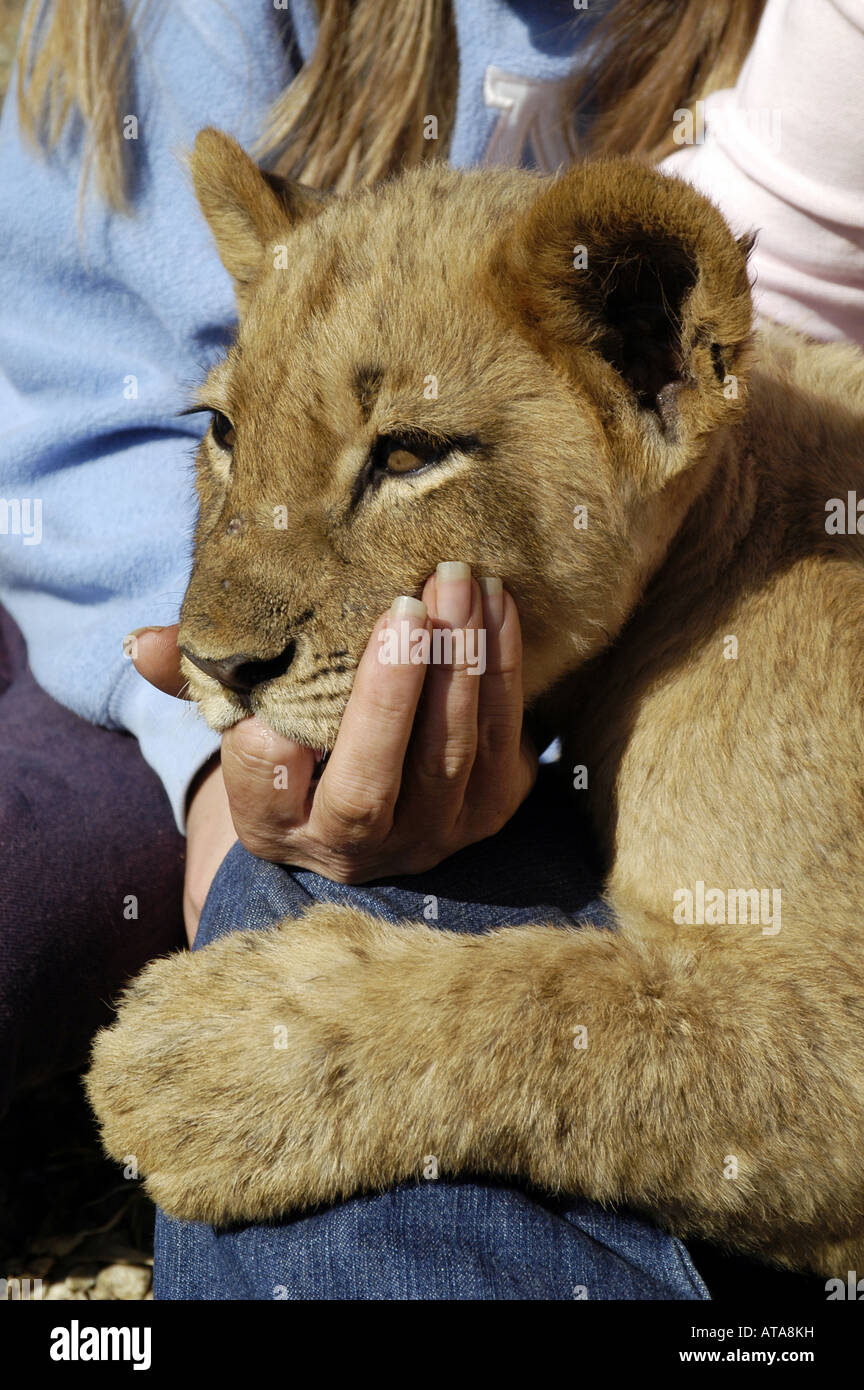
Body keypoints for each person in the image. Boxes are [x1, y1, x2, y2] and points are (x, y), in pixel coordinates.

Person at [2, 0, 860, 1298]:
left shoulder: (783, 637)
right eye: (225, 439)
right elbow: (90, 405)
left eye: (404, 458)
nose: (226, 633)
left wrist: (404, 1046)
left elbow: (836, 1084)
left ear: (650, 378)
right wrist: (202, 765)